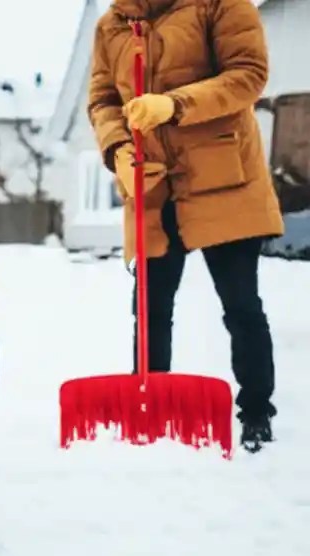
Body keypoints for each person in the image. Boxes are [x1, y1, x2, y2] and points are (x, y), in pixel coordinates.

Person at [88, 0, 285, 452]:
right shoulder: (112, 26)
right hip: (152, 182)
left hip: (222, 178)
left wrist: (175, 105)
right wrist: (117, 147)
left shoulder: (219, 6)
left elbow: (248, 75)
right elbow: (103, 102)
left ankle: (256, 411)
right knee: (151, 308)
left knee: (240, 305)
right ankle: (151, 406)